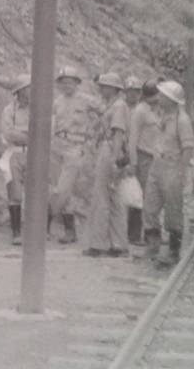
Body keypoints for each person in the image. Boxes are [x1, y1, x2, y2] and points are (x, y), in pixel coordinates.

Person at [144, 80, 194, 269]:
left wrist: (182, 171)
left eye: (163, 96)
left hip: (173, 165)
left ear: (172, 100)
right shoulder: (163, 115)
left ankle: (173, 251)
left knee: (173, 209)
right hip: (158, 164)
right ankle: (153, 246)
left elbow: (188, 147)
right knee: (150, 206)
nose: (159, 98)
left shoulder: (182, 120)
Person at [51, 66, 99, 244]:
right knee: (65, 192)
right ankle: (70, 232)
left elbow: (105, 114)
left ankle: (47, 220)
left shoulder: (87, 101)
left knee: (62, 189)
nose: (66, 86)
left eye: (70, 82)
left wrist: (93, 135)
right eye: (63, 82)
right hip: (58, 147)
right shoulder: (57, 102)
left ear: (77, 84)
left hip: (76, 147)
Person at [84, 72, 130, 257]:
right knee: (113, 197)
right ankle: (117, 243)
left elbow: (118, 132)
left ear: (113, 88)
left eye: (105, 86)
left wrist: (113, 158)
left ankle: (99, 243)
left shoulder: (118, 106)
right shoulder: (112, 105)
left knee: (102, 196)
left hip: (110, 147)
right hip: (108, 147)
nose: (102, 89)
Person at [128, 80, 162, 258]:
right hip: (144, 157)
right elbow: (132, 138)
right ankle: (140, 234)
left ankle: (149, 231)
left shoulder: (159, 110)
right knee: (143, 196)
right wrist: (133, 162)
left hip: (157, 158)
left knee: (153, 197)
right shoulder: (140, 111)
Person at [0, 74, 31, 245]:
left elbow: (44, 131)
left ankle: (37, 232)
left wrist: (22, 133)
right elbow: (8, 134)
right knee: (15, 194)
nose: (31, 91)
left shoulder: (39, 108)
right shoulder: (9, 110)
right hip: (15, 153)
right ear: (19, 91)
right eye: (27, 88)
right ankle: (16, 233)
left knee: (38, 193)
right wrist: (29, 134)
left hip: (34, 154)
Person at [124, 75, 144, 246]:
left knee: (137, 195)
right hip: (122, 153)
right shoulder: (121, 108)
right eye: (130, 92)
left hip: (139, 153)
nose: (133, 95)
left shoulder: (143, 110)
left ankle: (135, 234)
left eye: (136, 92)